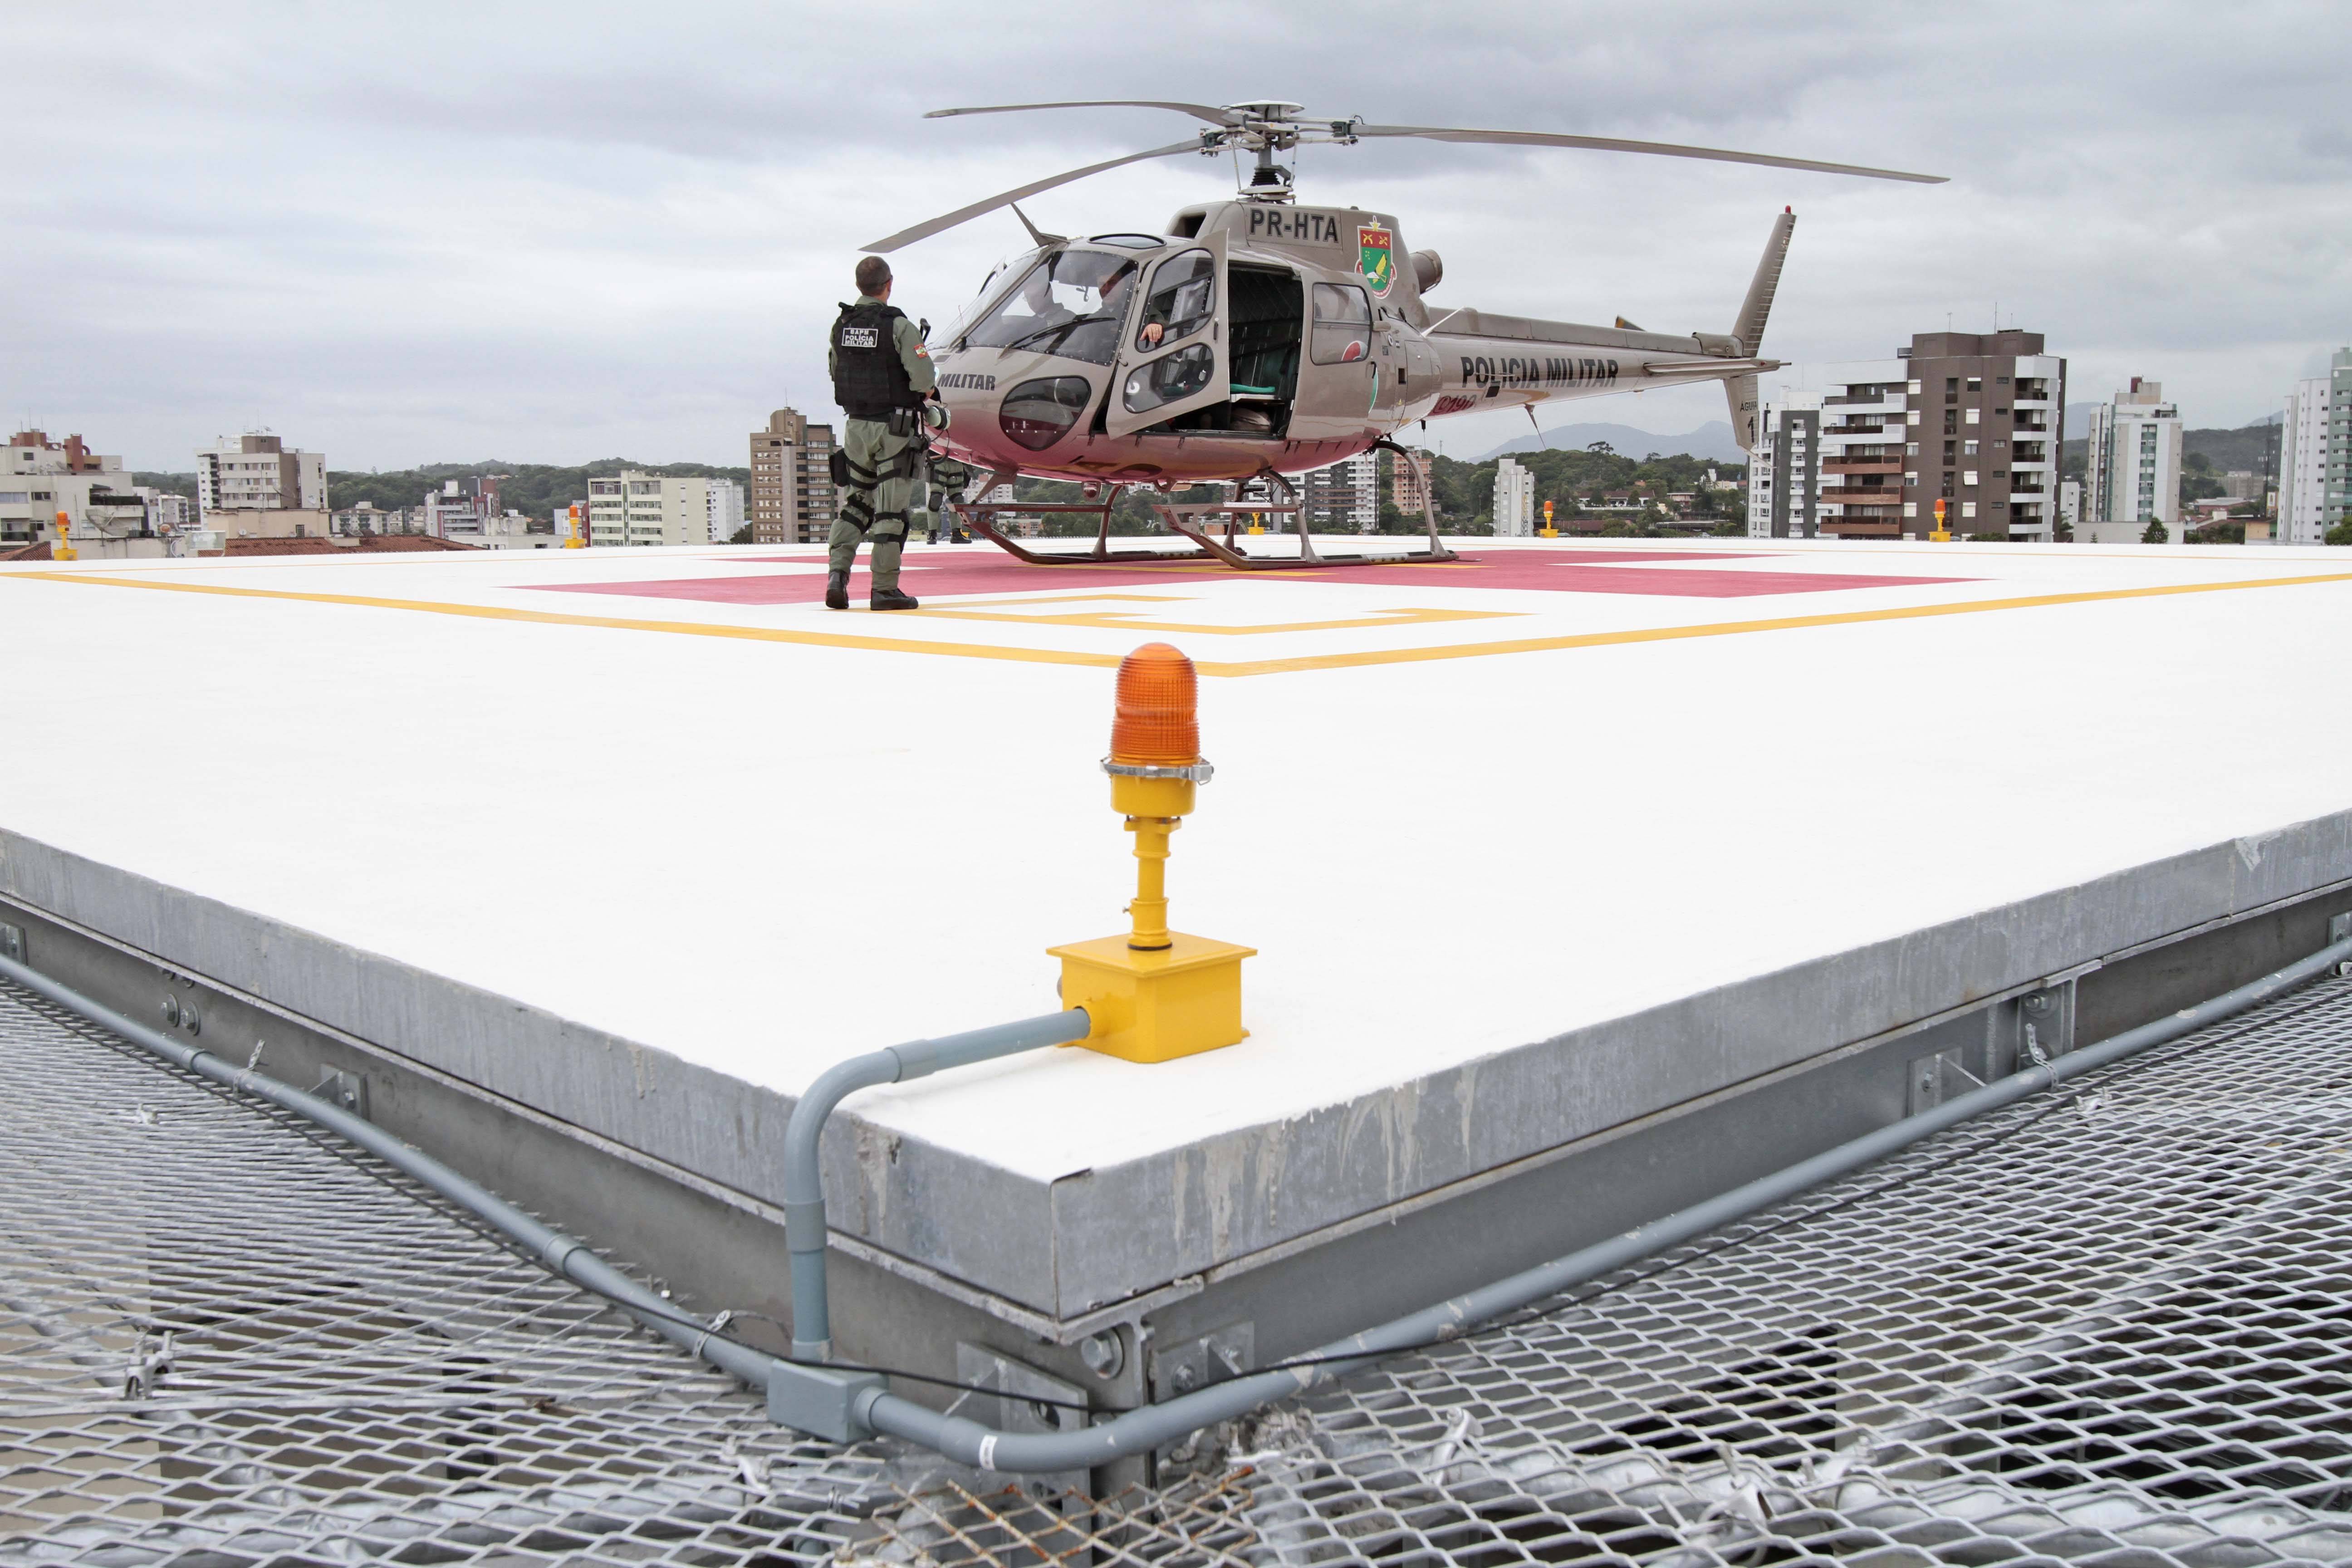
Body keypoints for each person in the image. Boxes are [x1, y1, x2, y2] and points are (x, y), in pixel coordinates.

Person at [826, 255, 937, 610]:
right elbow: (924, 380)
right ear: (889, 284)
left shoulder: (842, 324)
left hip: (856, 427)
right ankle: (884, 590)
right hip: (894, 428)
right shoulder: (900, 326)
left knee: (856, 503)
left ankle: (837, 576)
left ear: (858, 285)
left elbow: (835, 370)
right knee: (891, 511)